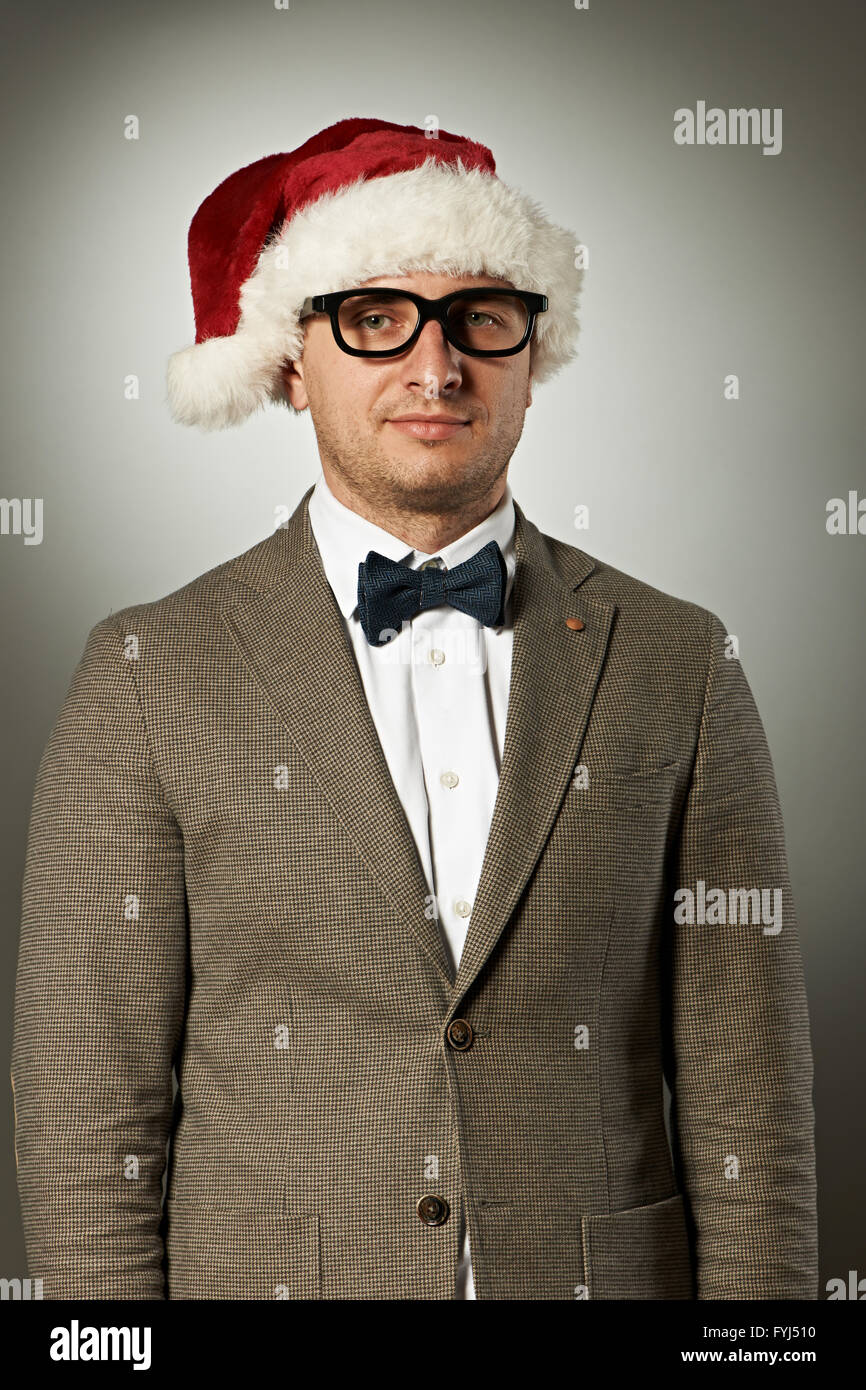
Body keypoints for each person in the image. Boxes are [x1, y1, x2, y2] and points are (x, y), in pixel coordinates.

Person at [11, 116, 817, 1300]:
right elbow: (89, 1112)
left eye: (478, 318)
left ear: (530, 357)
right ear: (292, 359)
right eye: (374, 318)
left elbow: (751, 1098)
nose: (433, 368)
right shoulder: (146, 669)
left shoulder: (679, 659)